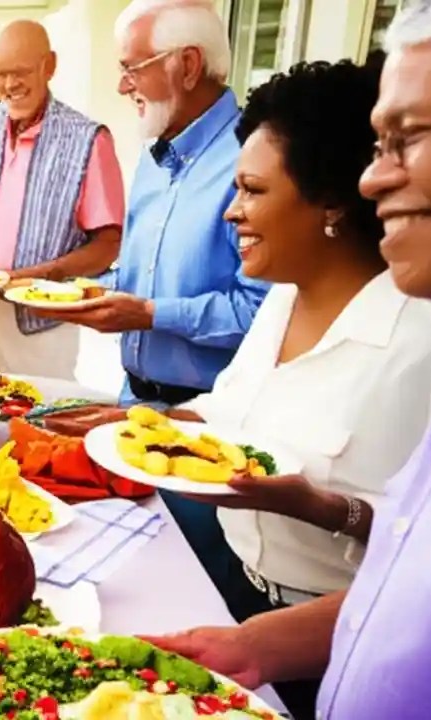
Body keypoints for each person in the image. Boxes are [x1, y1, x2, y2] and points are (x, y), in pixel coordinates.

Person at [145, 2, 431, 716]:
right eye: (379, 146)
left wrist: (326, 510)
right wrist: (139, 425)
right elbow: (412, 572)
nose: (378, 180)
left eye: (408, 139)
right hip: (249, 598)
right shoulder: (292, 304)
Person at [38, 0, 266, 590]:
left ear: (187, 66)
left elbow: (263, 314)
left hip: (206, 432)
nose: (121, 84)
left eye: (133, 67)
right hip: (131, 403)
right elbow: (137, 278)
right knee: (118, 583)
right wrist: (87, 293)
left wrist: (148, 313)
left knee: (190, 599)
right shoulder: (153, 154)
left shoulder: (253, 159)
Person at [0, 20, 125, 379]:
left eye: (21, 72)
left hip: (40, 323)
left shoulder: (89, 139)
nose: (10, 85)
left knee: (33, 422)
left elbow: (109, 244)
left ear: (50, 66)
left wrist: (38, 277)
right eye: (1, 74)